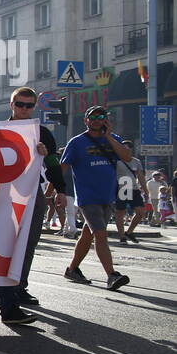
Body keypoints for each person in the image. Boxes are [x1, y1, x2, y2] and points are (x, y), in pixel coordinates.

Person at [1, 86, 65, 318]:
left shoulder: (42, 133)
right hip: (1, 191)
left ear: (34, 107)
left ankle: (19, 286)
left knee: (29, 240)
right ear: (12, 105)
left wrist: (60, 189)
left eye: (29, 105)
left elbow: (52, 163)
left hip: (31, 190)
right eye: (20, 104)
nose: (24, 109)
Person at [59, 105, 131, 290]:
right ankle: (112, 275)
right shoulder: (76, 142)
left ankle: (72, 269)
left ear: (106, 120)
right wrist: (56, 190)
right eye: (93, 117)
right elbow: (62, 168)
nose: (97, 120)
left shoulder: (113, 139)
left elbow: (127, 157)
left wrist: (108, 136)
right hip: (87, 197)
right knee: (100, 234)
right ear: (86, 120)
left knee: (87, 233)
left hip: (107, 196)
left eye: (101, 116)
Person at [112, 141, 145, 244]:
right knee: (120, 212)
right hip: (122, 188)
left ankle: (129, 232)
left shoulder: (136, 161)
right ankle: (122, 236)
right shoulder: (116, 161)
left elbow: (140, 176)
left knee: (140, 212)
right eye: (123, 148)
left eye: (127, 148)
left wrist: (145, 189)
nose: (125, 150)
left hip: (134, 189)